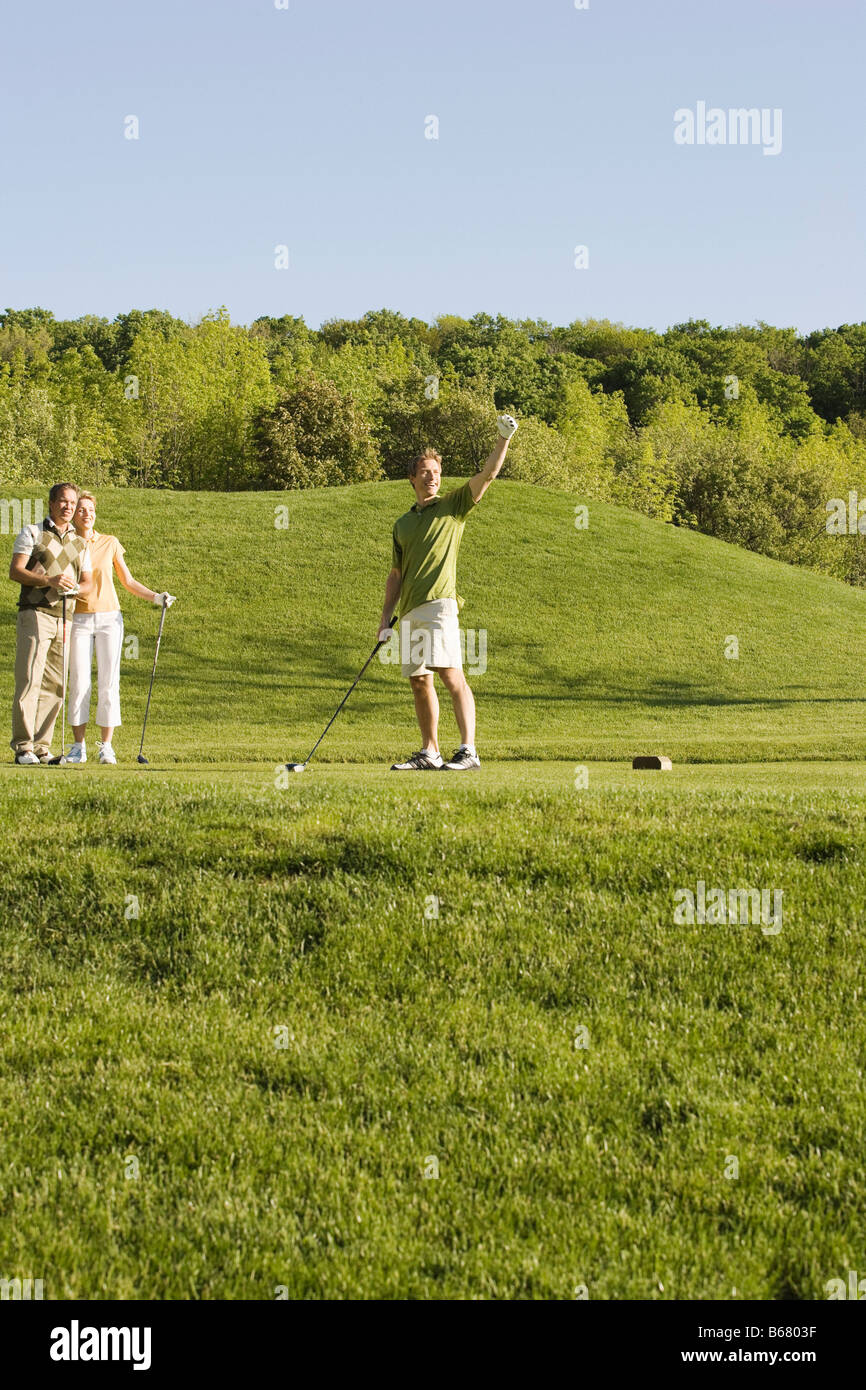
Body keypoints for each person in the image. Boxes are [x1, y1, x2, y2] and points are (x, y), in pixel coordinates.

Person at [378, 414, 518, 771]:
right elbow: (396, 573)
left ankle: (468, 750)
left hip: (441, 606)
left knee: (450, 672)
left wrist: (502, 438)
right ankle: (430, 751)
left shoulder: (452, 507)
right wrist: (384, 619)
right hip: (409, 611)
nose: (432, 476)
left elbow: (487, 475)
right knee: (419, 681)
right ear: (412, 478)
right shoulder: (403, 523)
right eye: (425, 471)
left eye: (436, 471)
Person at [65, 492, 175, 765]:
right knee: (79, 682)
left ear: (95, 514)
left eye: (90, 509)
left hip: (109, 620)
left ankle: (106, 746)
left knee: (108, 683)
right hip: (78, 619)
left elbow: (127, 580)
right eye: (81, 510)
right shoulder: (68, 544)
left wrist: (156, 596)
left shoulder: (109, 542)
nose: (86, 514)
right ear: (74, 515)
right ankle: (78, 747)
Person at [9, 482, 94, 764]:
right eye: (63, 501)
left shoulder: (81, 542)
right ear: (51, 503)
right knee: (30, 679)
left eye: (72, 502)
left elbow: (88, 584)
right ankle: (24, 747)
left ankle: (42, 748)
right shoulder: (32, 532)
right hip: (35, 613)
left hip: (65, 617)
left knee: (55, 685)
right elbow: (16, 571)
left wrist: (74, 590)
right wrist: (49, 580)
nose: (68, 507)